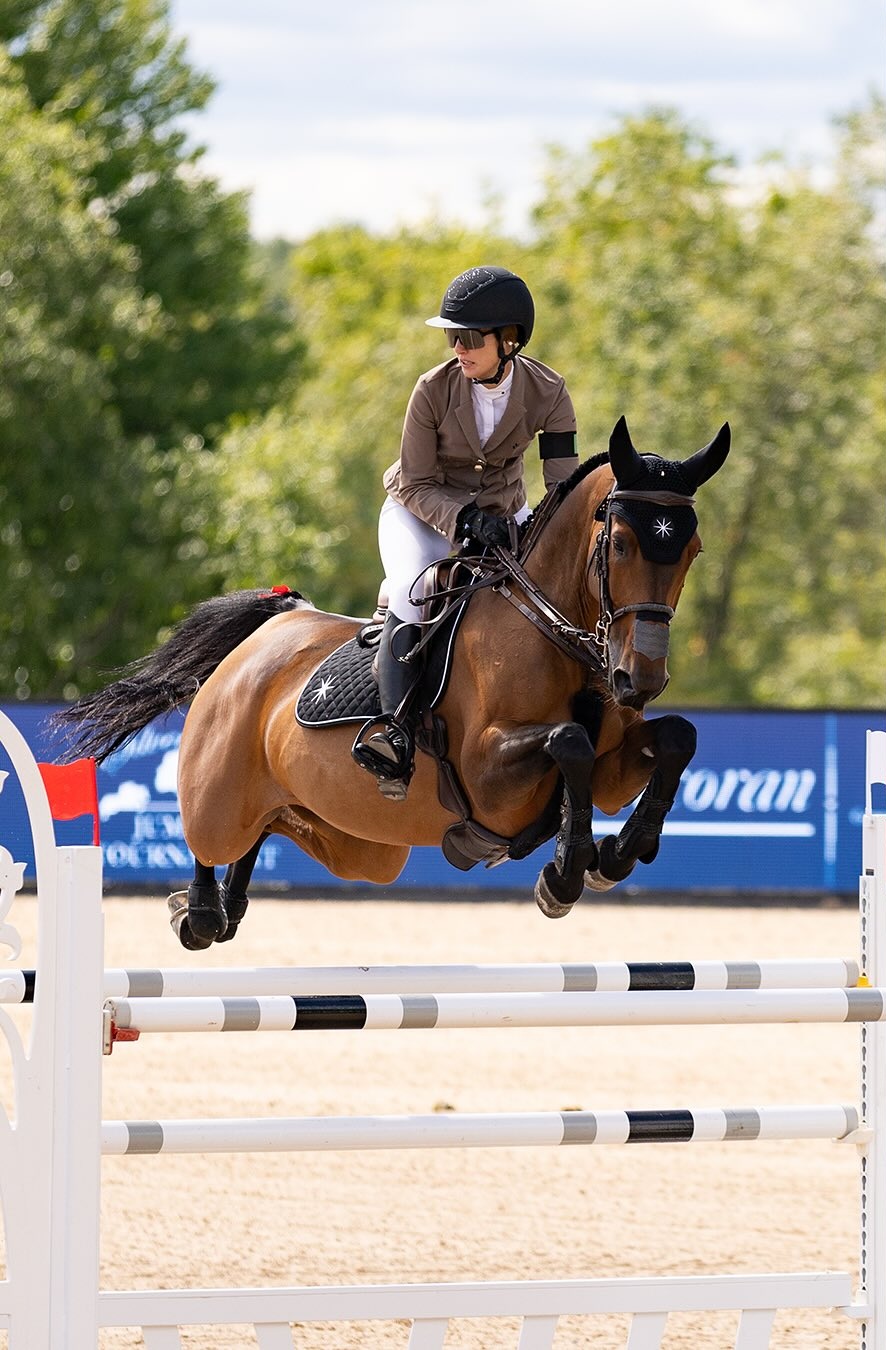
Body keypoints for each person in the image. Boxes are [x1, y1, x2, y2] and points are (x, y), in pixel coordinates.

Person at [352, 264, 579, 800]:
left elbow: (563, 486)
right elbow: (415, 482)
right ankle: (394, 734)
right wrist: (466, 520)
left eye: (471, 338)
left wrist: (547, 534)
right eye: (452, 336)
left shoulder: (549, 392)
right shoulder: (432, 390)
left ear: (509, 339)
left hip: (504, 515)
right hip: (419, 515)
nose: (459, 348)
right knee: (409, 592)